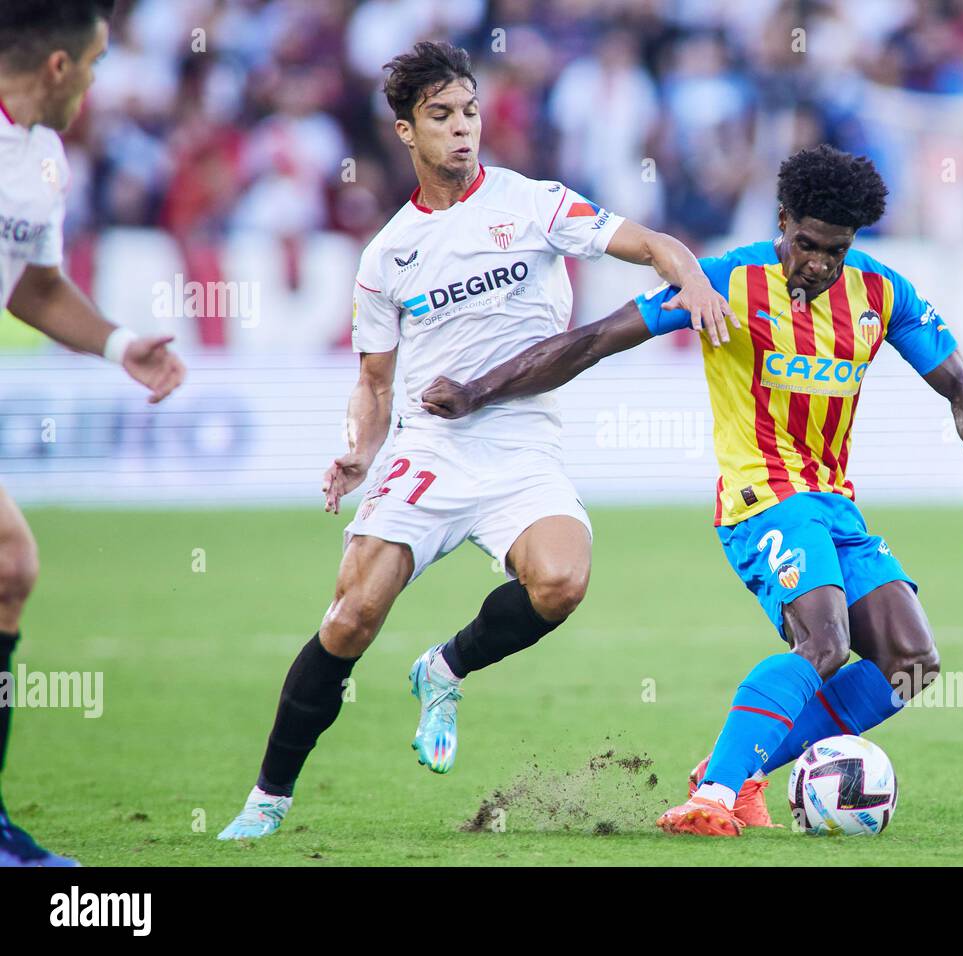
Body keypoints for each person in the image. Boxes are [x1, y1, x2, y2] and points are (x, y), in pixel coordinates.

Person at [419, 144, 963, 836]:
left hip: (833, 505)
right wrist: (477, 390)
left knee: (910, 663)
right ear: (783, 220)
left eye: (837, 251)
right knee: (824, 644)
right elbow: (595, 340)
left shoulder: (883, 293)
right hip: (762, 501)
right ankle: (713, 797)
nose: (819, 265)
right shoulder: (725, 282)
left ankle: (735, 767)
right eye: (808, 244)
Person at [217, 41, 731, 840]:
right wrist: (359, 449)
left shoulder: (535, 204)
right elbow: (375, 384)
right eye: (441, 116)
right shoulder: (387, 256)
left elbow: (655, 246)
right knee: (352, 617)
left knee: (561, 582)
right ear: (406, 132)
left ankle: (444, 668)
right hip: (429, 448)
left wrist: (691, 278)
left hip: (522, 444)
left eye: (469, 112)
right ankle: (267, 800)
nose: (462, 128)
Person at [0, 0, 186, 866]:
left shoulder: (42, 160)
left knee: (8, 567)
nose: (99, 79)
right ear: (59, 66)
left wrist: (118, 345)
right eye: (97, 61)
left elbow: (32, 286)